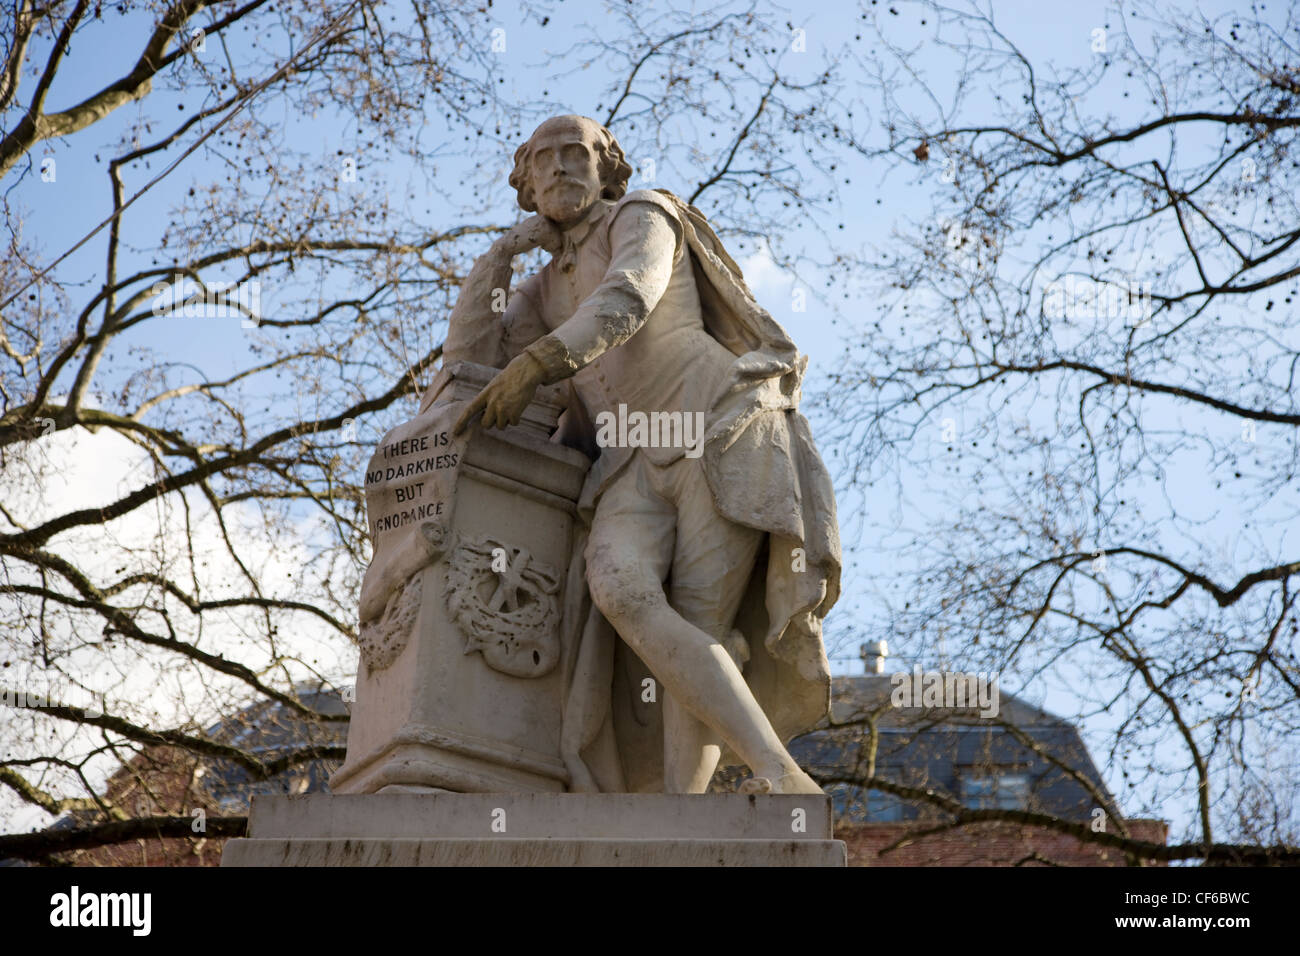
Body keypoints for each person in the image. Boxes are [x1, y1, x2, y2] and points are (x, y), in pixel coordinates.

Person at [446, 115, 839, 794]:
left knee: (694, 624)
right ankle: (756, 744)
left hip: (713, 428)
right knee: (621, 591)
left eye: (578, 155)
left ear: (608, 168)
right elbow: (470, 364)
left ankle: (745, 792)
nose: (562, 169)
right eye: (544, 161)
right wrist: (503, 256)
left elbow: (629, 295)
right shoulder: (538, 289)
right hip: (627, 460)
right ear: (527, 186)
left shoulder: (645, 213)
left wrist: (540, 361)